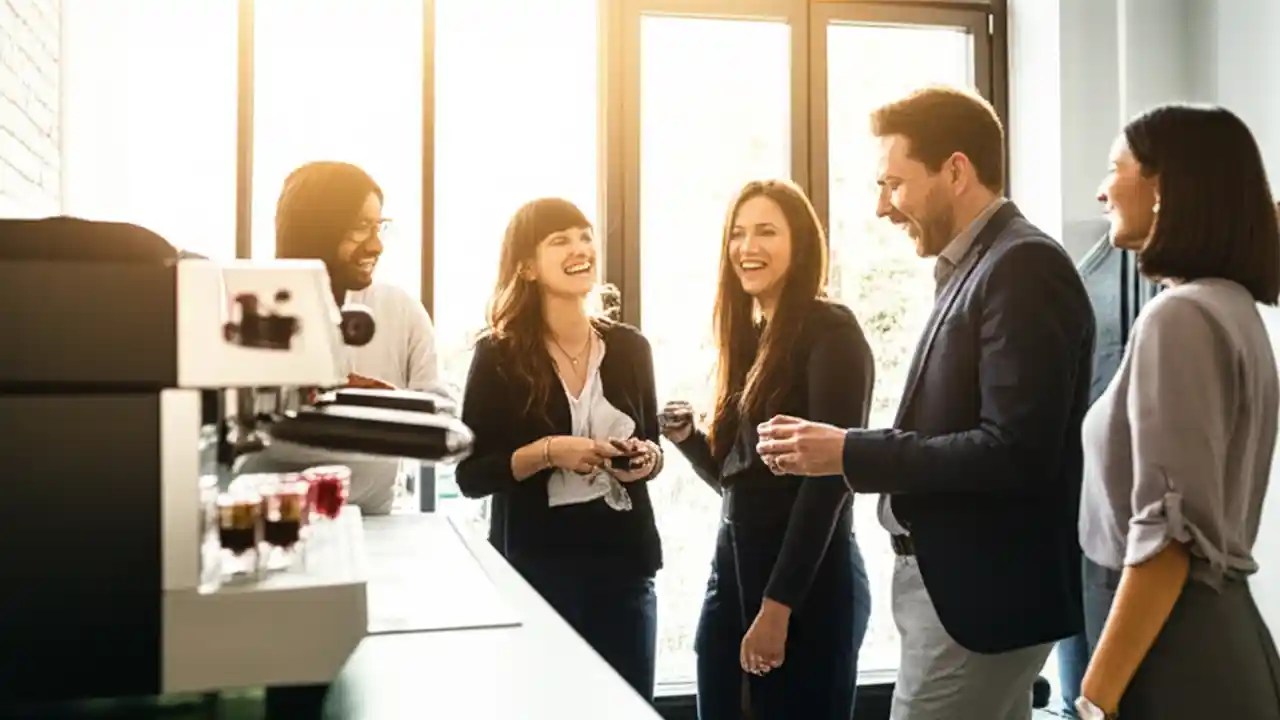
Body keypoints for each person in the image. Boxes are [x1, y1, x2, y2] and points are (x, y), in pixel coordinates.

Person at [755, 86, 1095, 720]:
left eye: (894, 184)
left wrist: (850, 450)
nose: (884, 207)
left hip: (977, 603)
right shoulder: (979, 266)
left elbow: (1014, 451)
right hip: (964, 596)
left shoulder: (1021, 267)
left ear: (957, 171)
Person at [1073, 105, 1280, 720]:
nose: (1102, 190)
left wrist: (1093, 700)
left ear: (1163, 187)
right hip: (1208, 638)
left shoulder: (1180, 317)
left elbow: (1169, 540)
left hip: (1173, 651)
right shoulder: (1232, 306)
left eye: (1115, 169)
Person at [662, 179, 873, 720]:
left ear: (799, 243)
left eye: (765, 232)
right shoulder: (751, 338)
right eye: (737, 233)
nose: (746, 247)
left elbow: (828, 484)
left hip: (808, 582)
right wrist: (688, 440)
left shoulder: (832, 330)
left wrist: (778, 607)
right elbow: (743, 483)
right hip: (732, 574)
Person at [455, 197, 664, 700]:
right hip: (537, 572)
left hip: (625, 566)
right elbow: (470, 475)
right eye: (560, 240)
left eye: (585, 235)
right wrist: (549, 451)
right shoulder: (498, 354)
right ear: (526, 266)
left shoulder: (631, 348)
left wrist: (644, 461)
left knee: (628, 707)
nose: (580, 248)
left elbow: (653, 446)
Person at [237, 161, 440, 515]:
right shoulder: (249, 306)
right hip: (269, 523)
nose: (377, 246)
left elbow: (439, 413)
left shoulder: (400, 308)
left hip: (377, 521)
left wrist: (390, 404)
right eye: (361, 227)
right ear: (317, 227)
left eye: (379, 227)